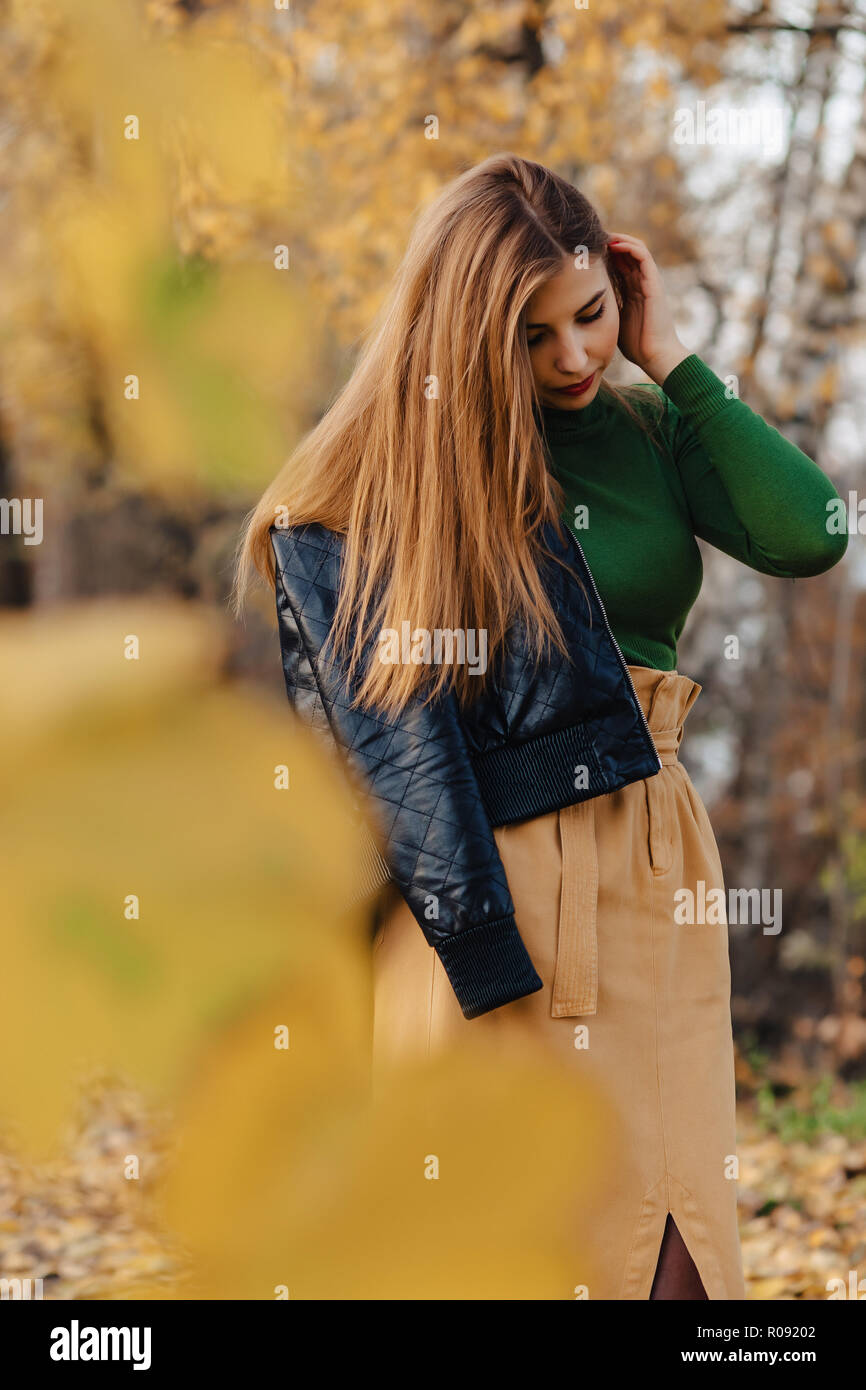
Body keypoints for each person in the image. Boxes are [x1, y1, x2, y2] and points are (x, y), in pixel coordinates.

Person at [233, 153, 848, 1299]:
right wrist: (467, 941)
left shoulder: (649, 428)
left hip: (652, 863)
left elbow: (811, 532)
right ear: (466, 331)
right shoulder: (398, 477)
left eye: (591, 315)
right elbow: (377, 745)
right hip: (487, 879)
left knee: (677, 1260)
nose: (572, 356)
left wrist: (670, 360)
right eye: (530, 335)